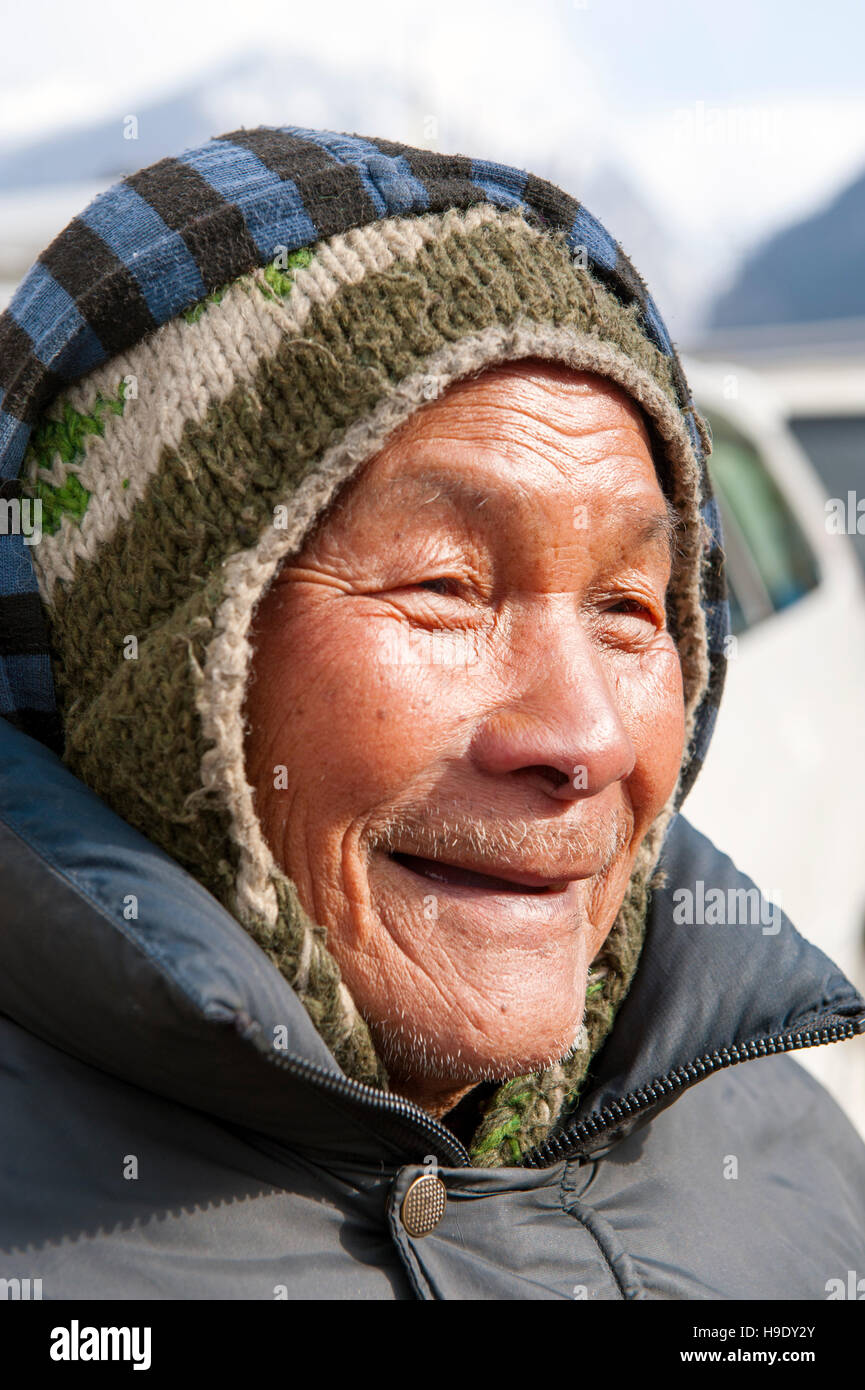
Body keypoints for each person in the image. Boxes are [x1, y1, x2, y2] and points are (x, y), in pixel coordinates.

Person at [0, 125, 862, 1300]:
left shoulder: (787, 1171)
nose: (584, 737)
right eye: (444, 588)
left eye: (627, 605)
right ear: (148, 665)